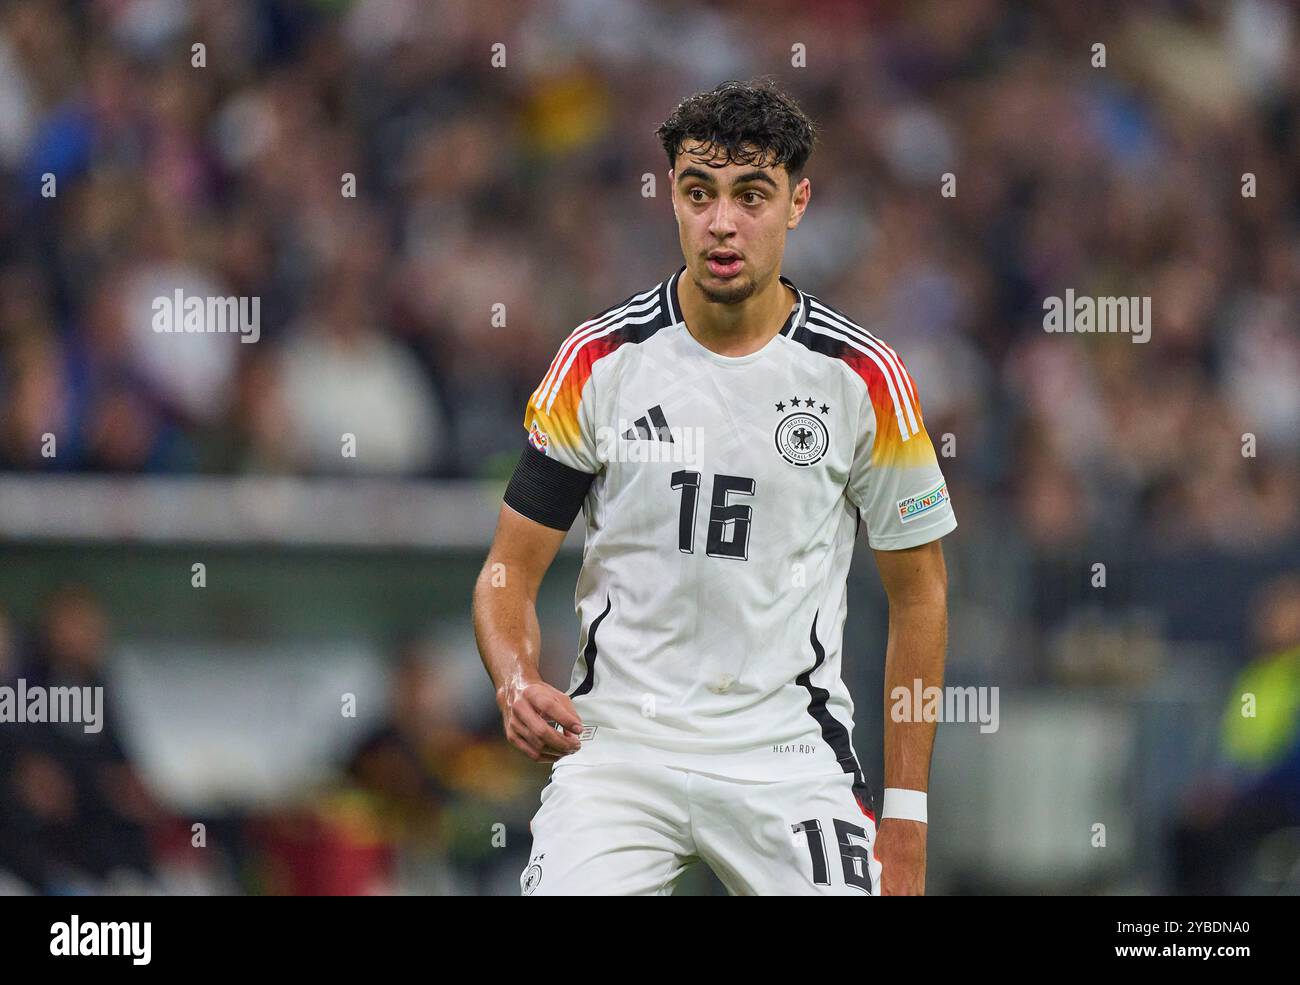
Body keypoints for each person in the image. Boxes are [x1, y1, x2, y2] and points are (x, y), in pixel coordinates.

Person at [472, 79, 956, 896]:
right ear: (673, 197)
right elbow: (505, 572)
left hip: (788, 755)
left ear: (798, 202)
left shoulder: (862, 378)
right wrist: (515, 679)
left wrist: (905, 818)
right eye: (700, 193)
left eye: (751, 195)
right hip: (620, 749)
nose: (722, 221)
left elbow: (921, 598)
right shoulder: (598, 361)